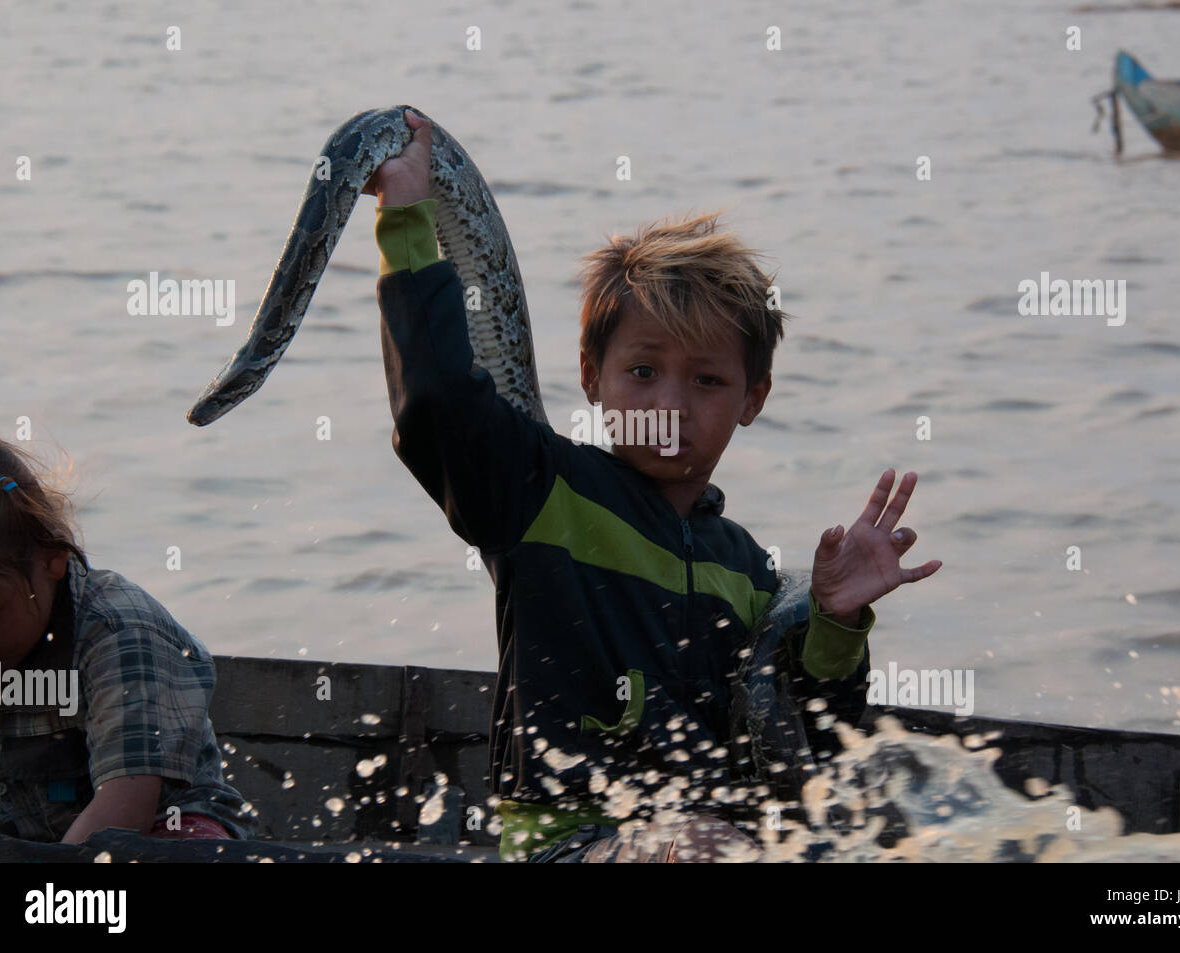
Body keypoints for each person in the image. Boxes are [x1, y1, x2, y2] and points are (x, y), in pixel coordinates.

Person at [367, 111, 941, 862]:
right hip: (565, 846)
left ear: (752, 399)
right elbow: (440, 399)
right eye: (642, 372)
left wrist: (834, 624)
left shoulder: (747, 570)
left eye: (706, 380)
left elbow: (813, 739)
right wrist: (407, 219)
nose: (669, 406)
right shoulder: (538, 493)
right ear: (590, 376)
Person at [0, 432, 257, 844]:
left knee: (184, 844)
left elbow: (125, 810)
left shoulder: (122, 634)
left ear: (53, 557)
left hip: (151, 832)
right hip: (14, 842)